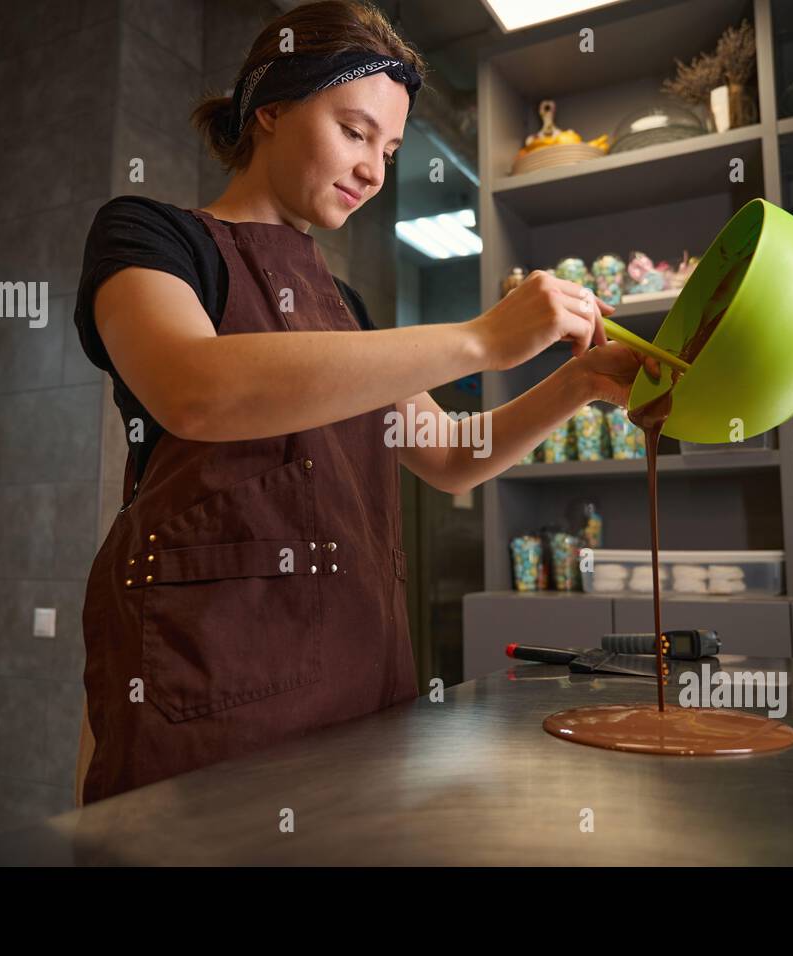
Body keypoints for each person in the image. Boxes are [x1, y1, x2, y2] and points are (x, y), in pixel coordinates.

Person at [71, 0, 656, 805]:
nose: (375, 171)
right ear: (269, 108)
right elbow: (194, 390)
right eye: (354, 132)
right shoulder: (150, 237)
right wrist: (481, 341)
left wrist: (581, 382)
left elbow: (451, 457)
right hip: (206, 697)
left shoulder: (342, 303)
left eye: (388, 148)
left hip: (362, 693)